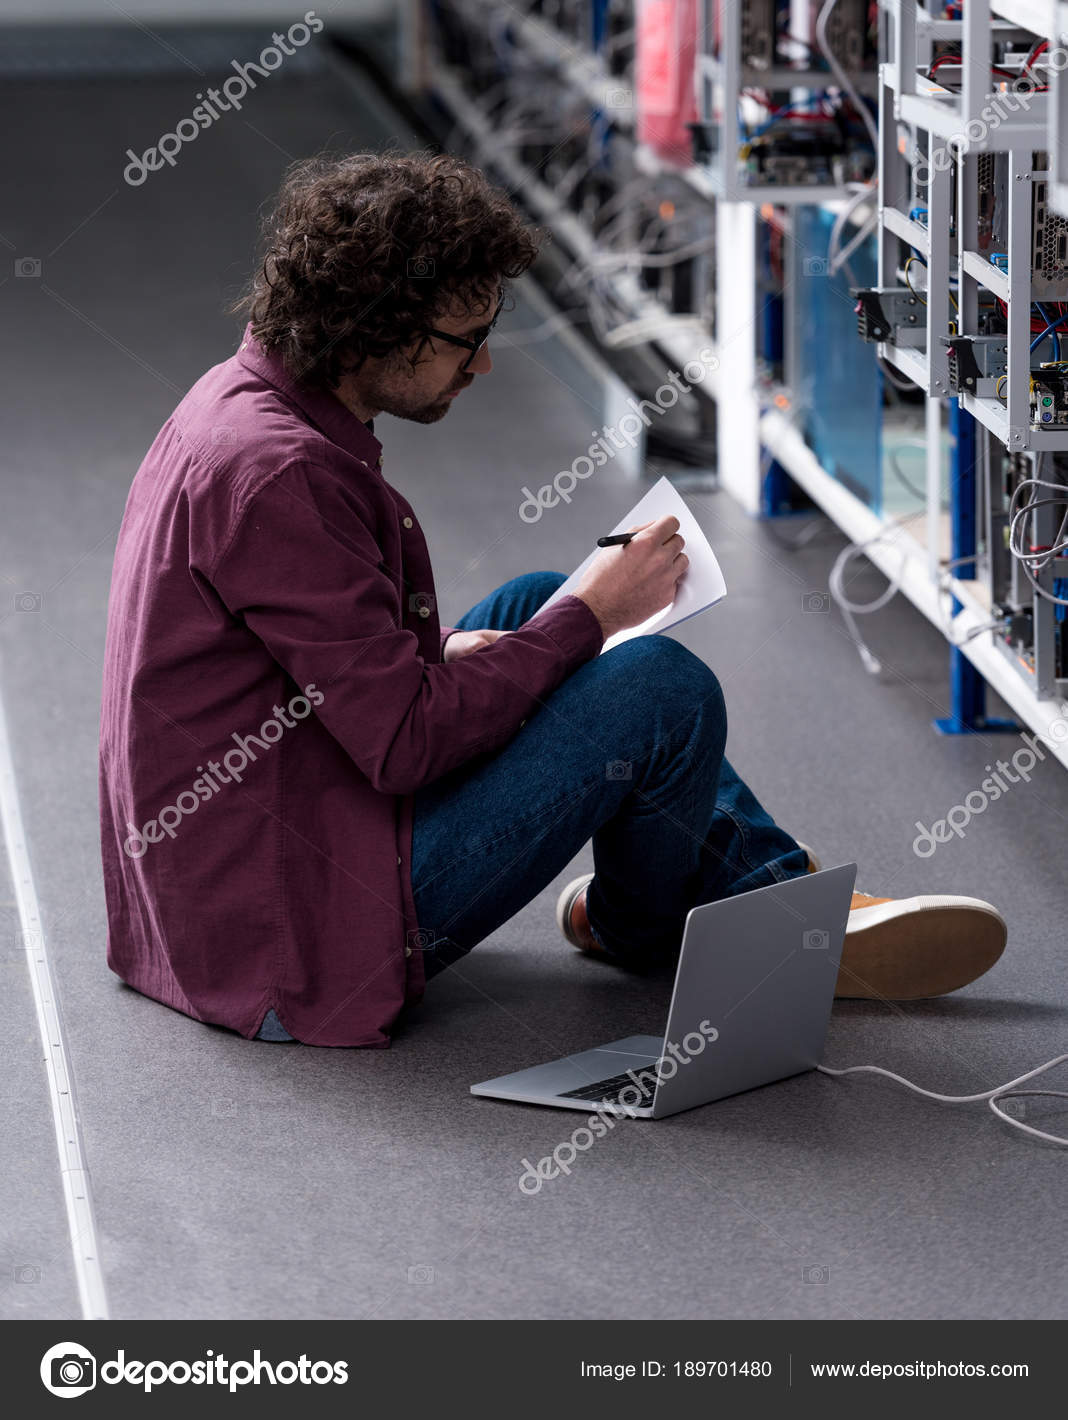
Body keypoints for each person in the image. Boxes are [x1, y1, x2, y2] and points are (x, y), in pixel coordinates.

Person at [98, 149, 1008, 1048]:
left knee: (533, 600)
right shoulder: (280, 475)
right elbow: (405, 745)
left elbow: (288, 666)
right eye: (468, 339)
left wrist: (463, 647)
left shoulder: (239, 402)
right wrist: (596, 617)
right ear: (381, 325)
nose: (484, 366)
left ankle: (762, 885)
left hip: (237, 870)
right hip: (295, 941)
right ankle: (652, 921)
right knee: (658, 686)